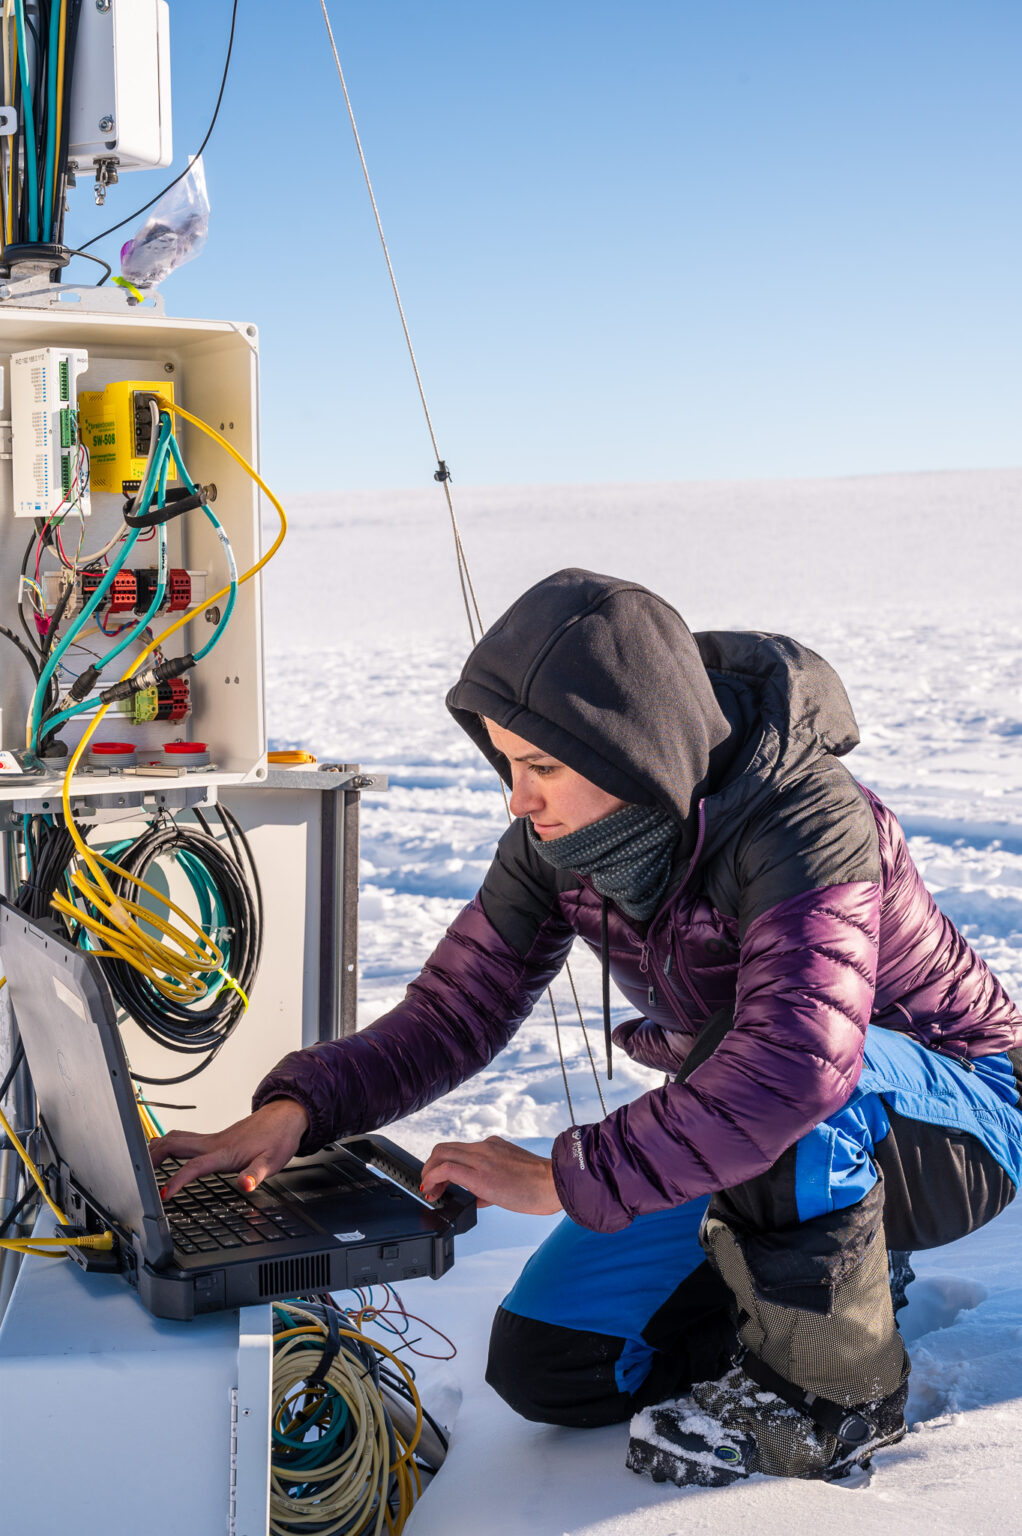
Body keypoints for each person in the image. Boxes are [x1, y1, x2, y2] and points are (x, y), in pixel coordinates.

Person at [152, 568, 1022, 1486]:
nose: (517, 801)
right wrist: (300, 1105)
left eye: (543, 768)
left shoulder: (806, 818)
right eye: (509, 765)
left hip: (956, 1120)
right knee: (554, 1362)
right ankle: (838, 1281)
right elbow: (457, 1009)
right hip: (754, 1124)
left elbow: (796, 1068)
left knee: (761, 1058)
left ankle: (831, 1398)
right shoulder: (562, 845)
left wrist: (569, 1177)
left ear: (632, 749)